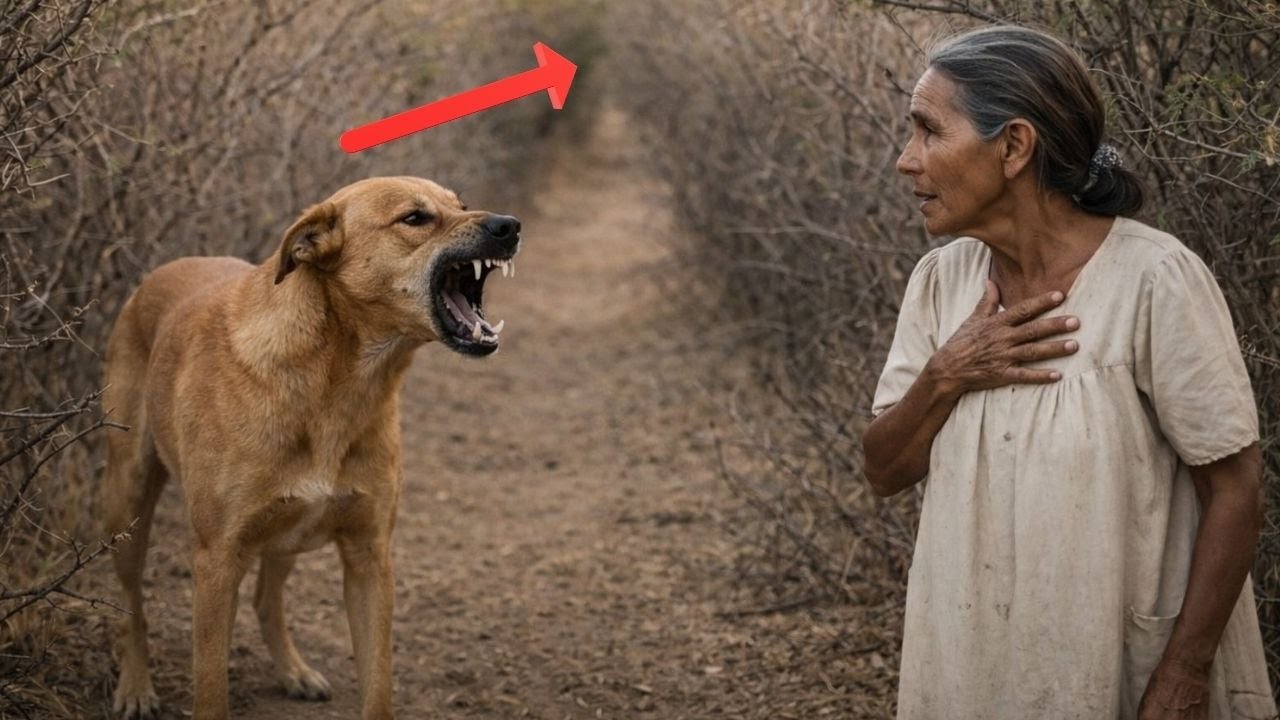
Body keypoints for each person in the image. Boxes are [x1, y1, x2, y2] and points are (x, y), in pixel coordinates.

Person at [862, 24, 1275, 720]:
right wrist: (948, 372)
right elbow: (884, 470)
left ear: (1015, 147)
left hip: (1126, 668)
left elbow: (1237, 489)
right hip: (975, 660)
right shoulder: (940, 284)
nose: (907, 160)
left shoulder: (1154, 280)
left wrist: (1184, 674)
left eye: (929, 131)